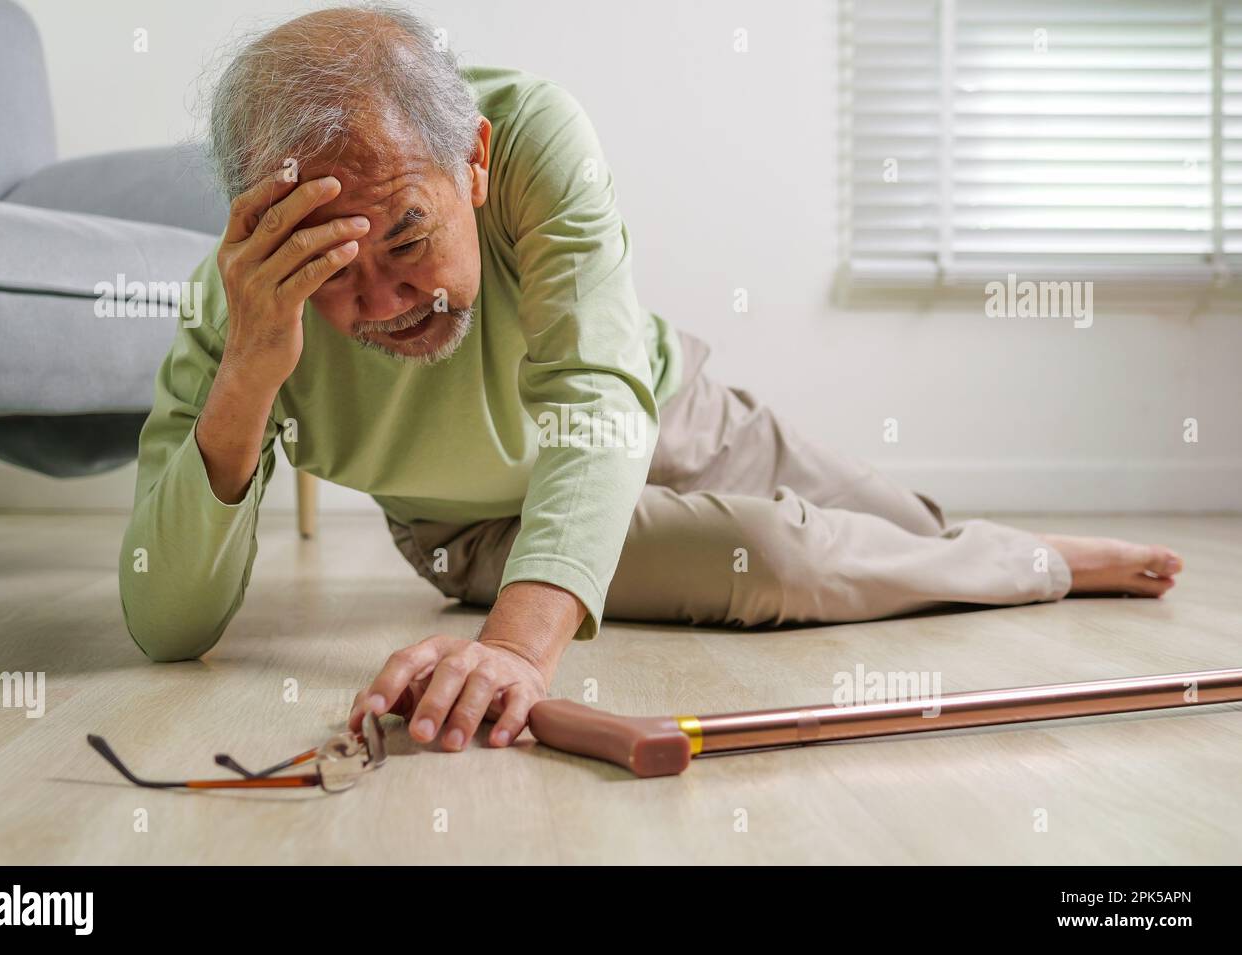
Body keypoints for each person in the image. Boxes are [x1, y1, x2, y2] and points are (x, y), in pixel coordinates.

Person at [119, 3, 1183, 756]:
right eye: (333, 274)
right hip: (473, 523)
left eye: (408, 239)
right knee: (778, 552)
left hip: (663, 406)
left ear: (474, 164)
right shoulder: (239, 305)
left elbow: (597, 393)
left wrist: (512, 650)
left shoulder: (533, 132)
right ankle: (1033, 561)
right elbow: (165, 624)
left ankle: (987, 547)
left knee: (887, 513)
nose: (386, 299)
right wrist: (254, 368)